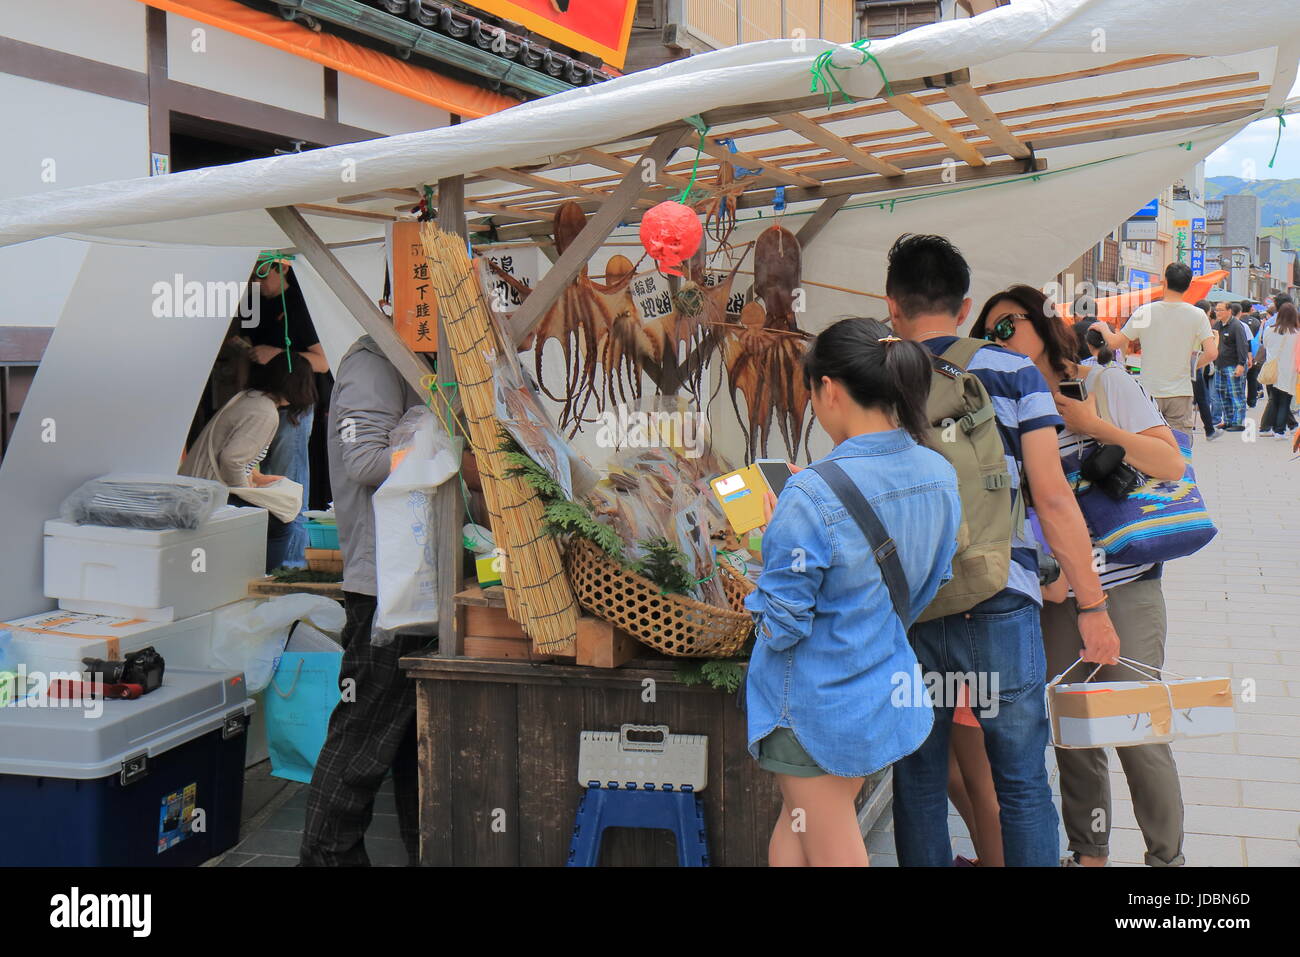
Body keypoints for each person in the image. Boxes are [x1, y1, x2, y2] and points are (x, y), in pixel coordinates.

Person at [885, 235, 1120, 868]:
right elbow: (1051, 496)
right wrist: (1092, 606)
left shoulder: (876, 375)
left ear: (892, 306)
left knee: (919, 784)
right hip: (1001, 600)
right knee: (1020, 783)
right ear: (963, 309)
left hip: (910, 610)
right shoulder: (1014, 372)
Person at [745, 317, 961, 867]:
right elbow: (933, 579)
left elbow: (781, 624)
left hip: (815, 706)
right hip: (878, 688)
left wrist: (767, 548)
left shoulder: (810, 492)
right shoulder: (938, 470)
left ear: (831, 390)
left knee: (825, 838)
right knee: (796, 832)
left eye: (813, 391)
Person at [985, 286, 1188, 867]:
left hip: (1124, 586)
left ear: (1044, 327)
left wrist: (1095, 425)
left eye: (1008, 328)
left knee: (1138, 733)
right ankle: (1089, 854)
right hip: (1053, 591)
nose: (999, 342)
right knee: (1074, 732)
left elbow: (1170, 462)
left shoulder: (1104, 383)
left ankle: (1166, 863)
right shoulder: (1002, 405)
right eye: (989, 334)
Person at [300, 335, 424, 867]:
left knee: (410, 741)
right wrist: (449, 449)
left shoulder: (417, 362)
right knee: (363, 736)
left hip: (418, 584)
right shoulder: (374, 361)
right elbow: (365, 461)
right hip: (384, 590)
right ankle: (326, 857)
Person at [234, 256, 330, 568]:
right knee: (255, 482)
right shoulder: (252, 300)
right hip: (258, 403)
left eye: (263, 275)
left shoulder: (300, 305)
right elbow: (246, 344)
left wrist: (277, 353)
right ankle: (260, 559)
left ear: (284, 268)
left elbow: (324, 362)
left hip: (293, 407)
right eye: (252, 275)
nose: (257, 283)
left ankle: (291, 564)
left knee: (289, 484)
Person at [180, 354, 318, 569]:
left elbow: (240, 457)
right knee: (282, 520)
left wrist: (258, 478)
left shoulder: (250, 397)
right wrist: (248, 494)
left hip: (200, 484)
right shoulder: (264, 412)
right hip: (209, 492)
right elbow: (232, 460)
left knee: (278, 506)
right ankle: (265, 575)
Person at [1092, 263, 1217, 435]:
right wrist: (1189, 367)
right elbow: (1211, 353)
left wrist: (1103, 327)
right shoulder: (1197, 315)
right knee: (1180, 447)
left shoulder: (1145, 312)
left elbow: (1114, 343)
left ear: (1164, 282)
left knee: (1151, 444)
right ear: (1188, 286)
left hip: (1149, 390)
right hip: (1180, 392)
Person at [1259, 300, 1300, 438]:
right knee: (1285, 401)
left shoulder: (1269, 331)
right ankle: (1280, 430)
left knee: (1275, 399)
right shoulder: (1296, 333)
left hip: (1272, 369)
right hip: (1289, 370)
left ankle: (1271, 428)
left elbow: (1265, 345)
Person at [1210, 301, 1252, 432]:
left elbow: (1243, 346)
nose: (1218, 313)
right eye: (1216, 310)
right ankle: (1228, 420)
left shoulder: (1236, 326)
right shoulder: (1217, 325)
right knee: (1222, 393)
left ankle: (1238, 422)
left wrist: (1241, 364)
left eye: (1221, 310)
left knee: (1236, 394)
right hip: (1219, 364)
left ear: (1229, 311)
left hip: (1233, 365)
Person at [1189, 300, 1219, 438]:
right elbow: (1212, 350)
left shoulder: (1187, 320)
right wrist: (1217, 336)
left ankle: (1209, 429)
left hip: (1183, 362)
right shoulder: (1202, 323)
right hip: (1195, 364)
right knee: (1202, 398)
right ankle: (1209, 430)